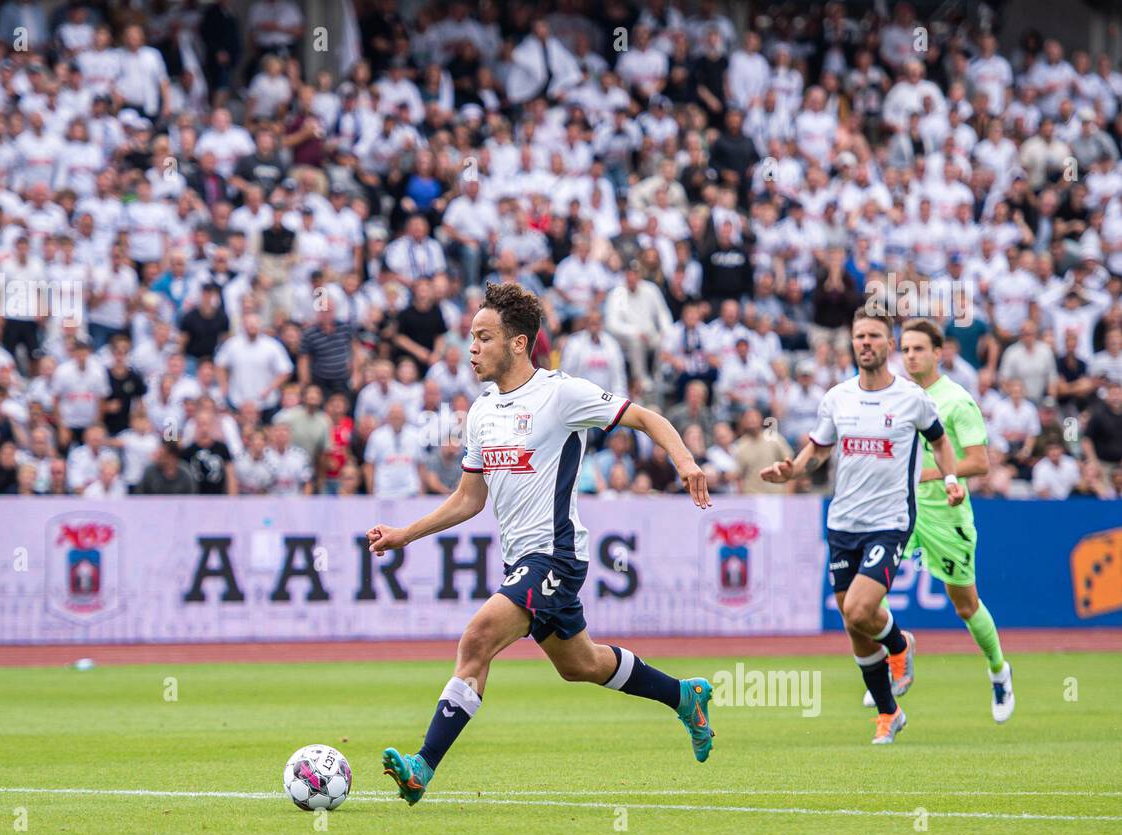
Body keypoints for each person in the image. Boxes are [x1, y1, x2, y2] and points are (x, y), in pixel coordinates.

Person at [366, 281, 716, 805]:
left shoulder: (561, 394)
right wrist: (403, 535)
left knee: (477, 638)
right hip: (521, 563)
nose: (472, 348)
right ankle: (684, 696)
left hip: (555, 556)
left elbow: (646, 417)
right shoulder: (481, 412)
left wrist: (684, 461)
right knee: (582, 665)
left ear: (519, 343)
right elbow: (468, 499)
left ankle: (422, 766)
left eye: (484, 337)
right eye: (471, 337)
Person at [761, 309, 967, 744]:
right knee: (854, 624)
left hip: (889, 522)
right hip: (842, 521)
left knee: (858, 609)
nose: (865, 343)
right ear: (851, 343)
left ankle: (898, 646)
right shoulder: (837, 397)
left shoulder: (911, 399)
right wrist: (792, 470)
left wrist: (950, 479)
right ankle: (889, 714)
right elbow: (817, 449)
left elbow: (941, 443)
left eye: (874, 336)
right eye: (859, 336)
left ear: (889, 345)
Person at [894, 319, 1013, 722]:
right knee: (867, 587)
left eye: (918, 349)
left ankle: (998, 669)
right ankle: (893, 660)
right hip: (901, 511)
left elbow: (980, 461)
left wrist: (936, 476)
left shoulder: (957, 401)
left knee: (965, 605)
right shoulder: (895, 395)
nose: (911, 356)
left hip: (946, 514)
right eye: (905, 349)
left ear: (938, 352)